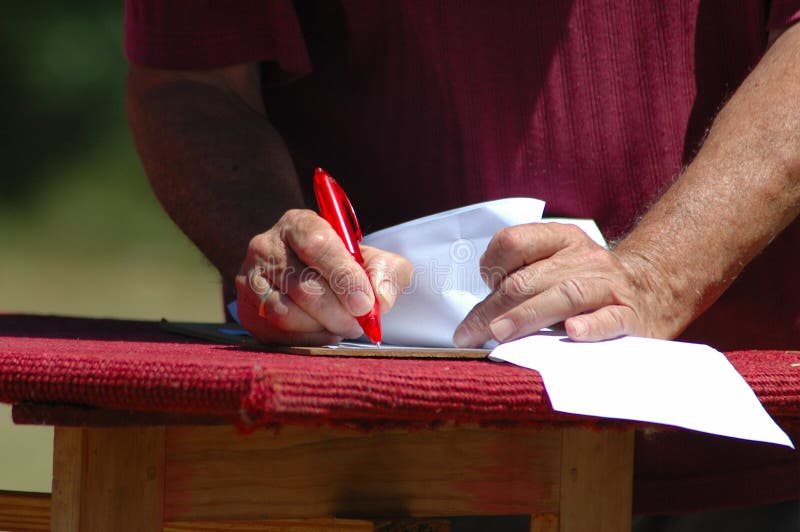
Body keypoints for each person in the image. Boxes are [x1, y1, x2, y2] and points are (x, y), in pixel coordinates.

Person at [124, 1, 799, 527]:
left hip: (748, 436)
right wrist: (271, 239)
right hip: (362, 449)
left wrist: (659, 271)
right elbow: (190, 72)